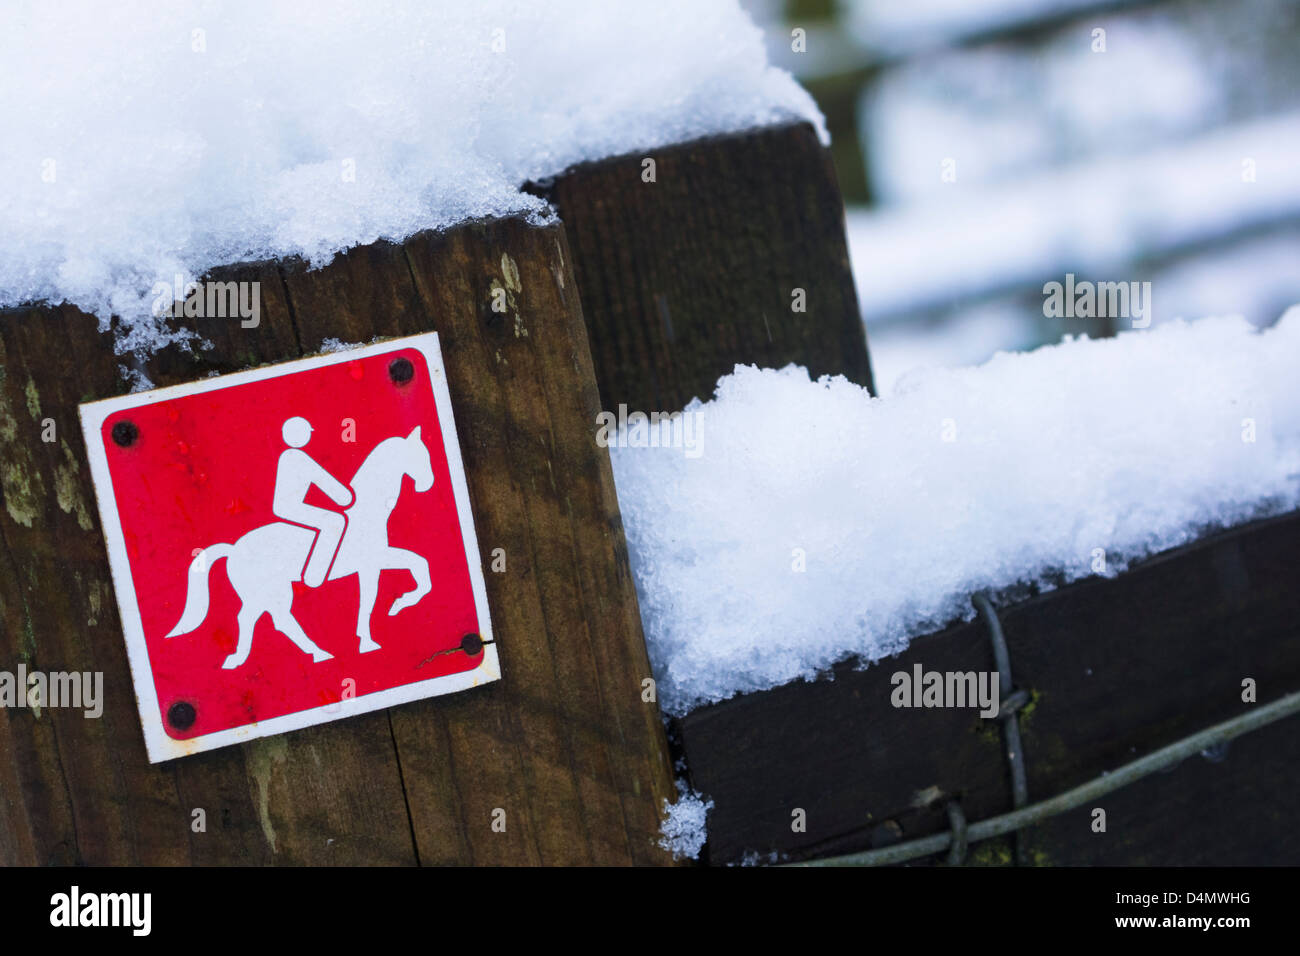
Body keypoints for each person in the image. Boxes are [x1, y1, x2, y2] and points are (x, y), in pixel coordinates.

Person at [273, 416, 353, 587]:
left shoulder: (289, 455)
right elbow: (326, 482)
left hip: (290, 505)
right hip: (289, 507)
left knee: (333, 518)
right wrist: (346, 497)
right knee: (335, 521)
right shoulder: (297, 457)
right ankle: (314, 576)